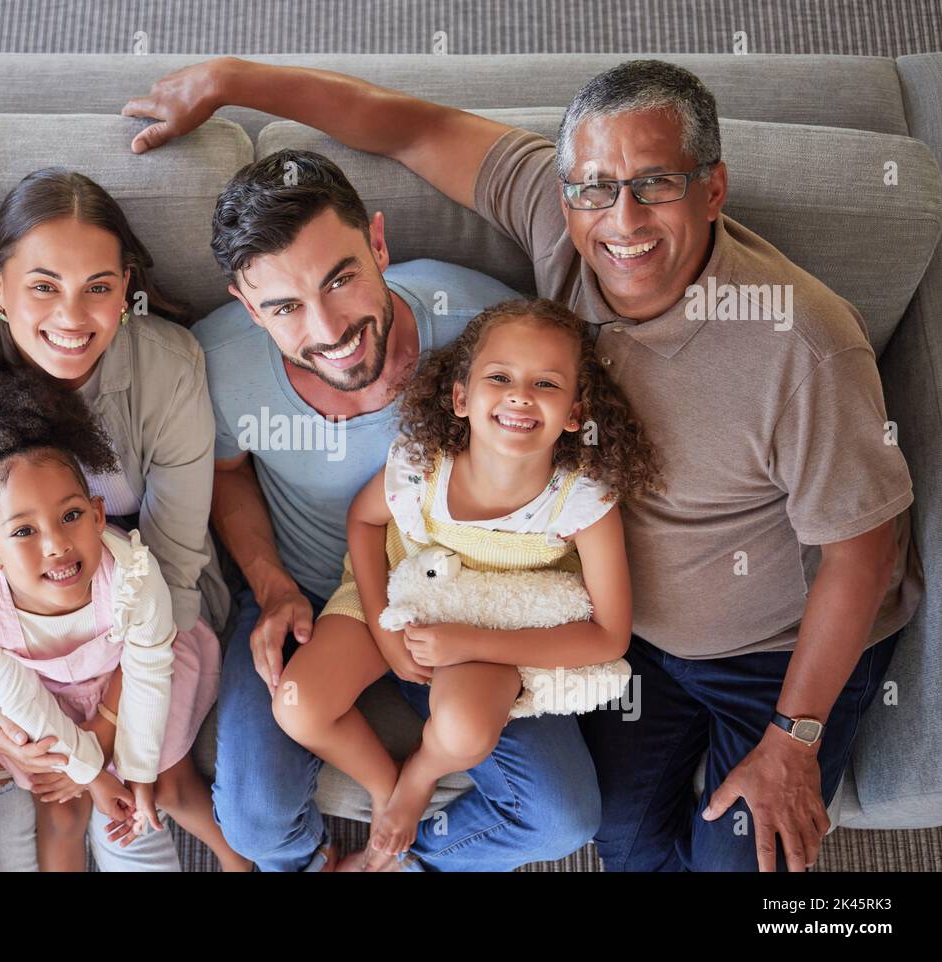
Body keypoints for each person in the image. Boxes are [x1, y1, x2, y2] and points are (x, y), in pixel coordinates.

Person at [124, 57, 919, 871]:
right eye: (597, 188)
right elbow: (412, 125)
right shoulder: (564, 221)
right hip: (612, 646)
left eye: (657, 184)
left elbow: (864, 553)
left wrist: (795, 736)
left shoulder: (803, 344)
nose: (622, 220)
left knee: (722, 857)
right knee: (627, 845)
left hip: (769, 649)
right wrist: (231, 79)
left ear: (713, 189)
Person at [188, 149, 603, 871]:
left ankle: (402, 858)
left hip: (464, 592)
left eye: (341, 279)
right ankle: (320, 858)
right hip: (312, 592)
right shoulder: (218, 363)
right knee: (254, 829)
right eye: (284, 307)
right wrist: (270, 582)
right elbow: (228, 474)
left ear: (379, 243)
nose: (328, 329)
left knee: (562, 817)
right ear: (248, 306)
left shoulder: (482, 330)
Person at [0, 166, 229, 871]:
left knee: (134, 804)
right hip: (17, 626)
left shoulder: (168, 368)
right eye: (44, 286)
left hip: (140, 611)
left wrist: (108, 726)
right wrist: (34, 728)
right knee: (52, 795)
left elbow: (172, 562)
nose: (73, 320)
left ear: (126, 287)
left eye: (99, 289)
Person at [276, 298, 660, 869]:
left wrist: (469, 642)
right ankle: (390, 790)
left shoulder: (583, 502)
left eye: (546, 384)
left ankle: (421, 776)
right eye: (499, 377)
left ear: (576, 411)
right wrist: (385, 632)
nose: (520, 396)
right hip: (402, 596)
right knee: (297, 706)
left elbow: (609, 636)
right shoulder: (422, 464)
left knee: (465, 727)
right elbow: (364, 520)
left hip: (495, 629)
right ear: (461, 397)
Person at [0, 368, 249, 872]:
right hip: (43, 696)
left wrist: (134, 771)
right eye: (23, 531)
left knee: (168, 782)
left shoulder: (132, 573)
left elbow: (150, 667)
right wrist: (92, 773)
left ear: (96, 514)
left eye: (70, 516)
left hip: (133, 675)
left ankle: (240, 863)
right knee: (61, 810)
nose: (55, 545)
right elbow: (21, 699)